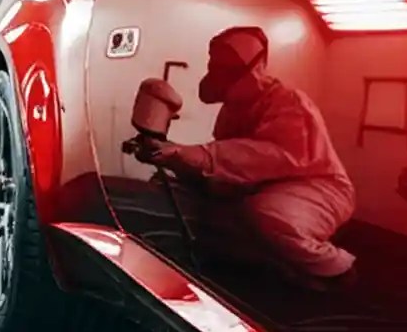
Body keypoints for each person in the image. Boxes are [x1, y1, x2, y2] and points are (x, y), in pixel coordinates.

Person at [132, 26, 357, 287]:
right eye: (215, 64)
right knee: (187, 196)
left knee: (270, 214)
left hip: (319, 187)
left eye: (225, 66)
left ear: (251, 67)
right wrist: (175, 160)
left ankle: (336, 272)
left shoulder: (290, 102)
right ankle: (267, 266)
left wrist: (188, 154)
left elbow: (264, 158)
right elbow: (229, 168)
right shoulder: (233, 109)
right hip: (264, 185)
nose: (216, 73)